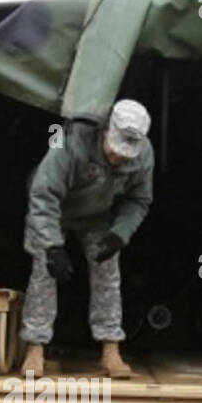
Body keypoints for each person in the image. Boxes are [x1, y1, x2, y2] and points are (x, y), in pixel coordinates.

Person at [20, 97, 154, 380]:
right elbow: (43, 195)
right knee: (44, 270)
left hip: (96, 216)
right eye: (115, 148)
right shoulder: (67, 143)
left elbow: (139, 201)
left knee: (108, 271)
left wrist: (120, 234)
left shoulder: (143, 156)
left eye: (126, 153)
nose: (119, 157)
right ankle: (35, 347)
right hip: (51, 210)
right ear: (105, 129)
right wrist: (53, 246)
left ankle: (110, 348)